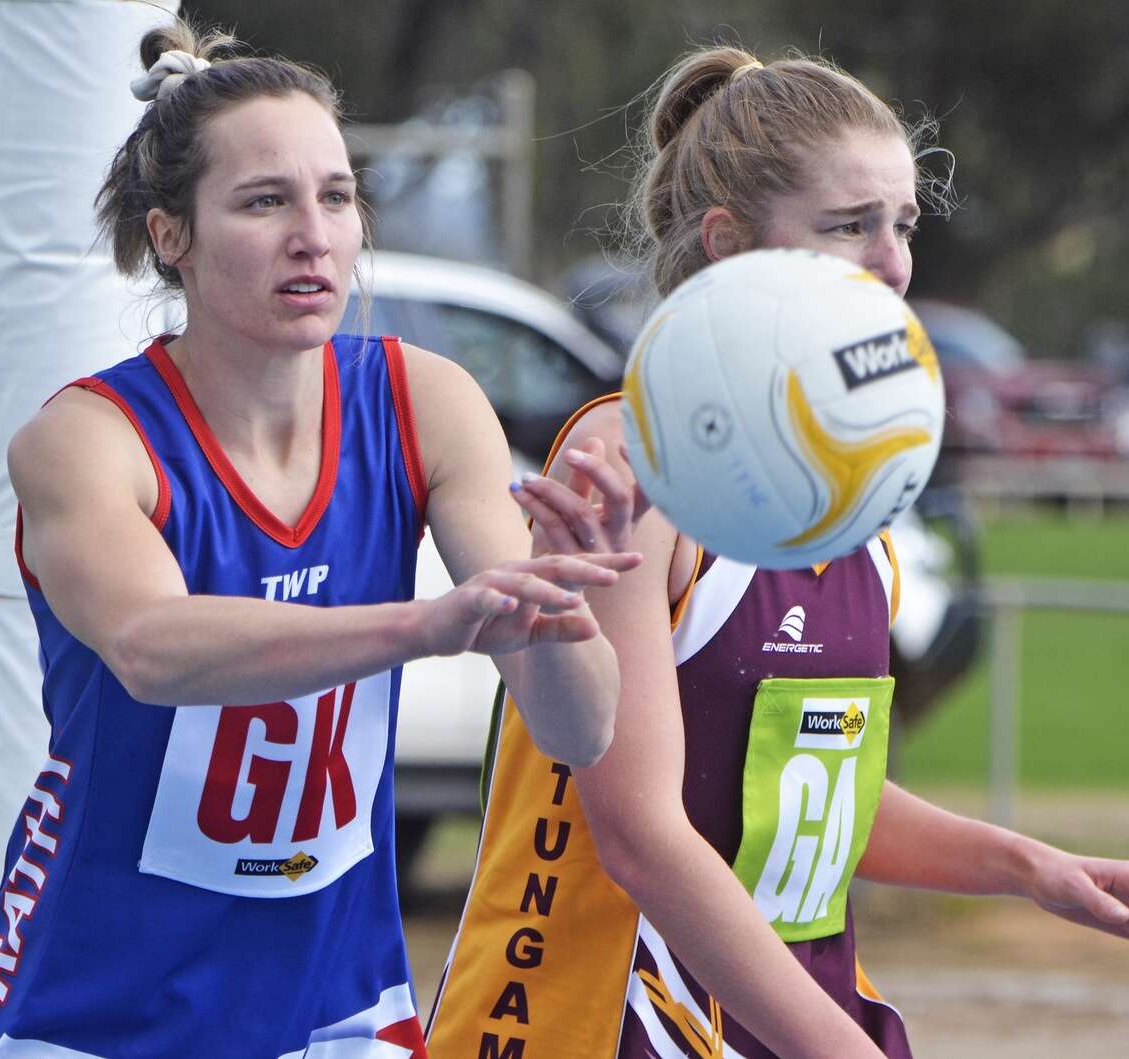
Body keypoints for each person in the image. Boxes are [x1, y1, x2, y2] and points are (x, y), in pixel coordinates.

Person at [0, 21, 645, 1059]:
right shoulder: (84, 439)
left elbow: (578, 733)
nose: (313, 234)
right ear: (170, 234)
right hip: (94, 1008)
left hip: (336, 1009)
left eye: (337, 195)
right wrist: (420, 624)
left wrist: (564, 608)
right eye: (264, 202)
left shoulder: (422, 400)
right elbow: (151, 646)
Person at [426, 45, 1129, 1059]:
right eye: (849, 226)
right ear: (729, 245)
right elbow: (641, 834)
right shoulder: (631, 457)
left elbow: (805, 786)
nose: (891, 262)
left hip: (781, 1012)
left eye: (902, 224)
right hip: (610, 1018)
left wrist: (1025, 866)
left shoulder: (853, 486)